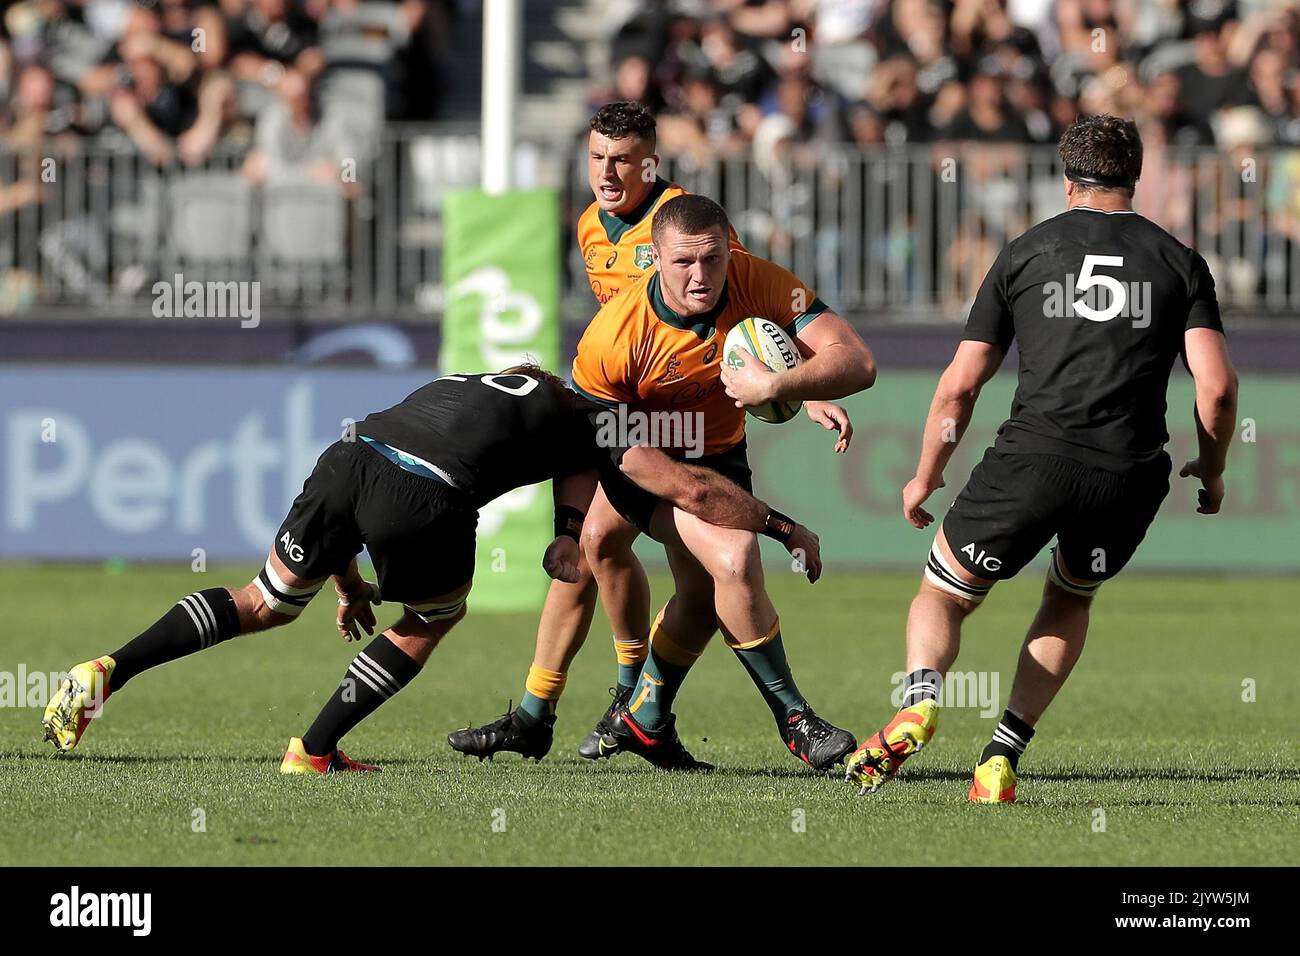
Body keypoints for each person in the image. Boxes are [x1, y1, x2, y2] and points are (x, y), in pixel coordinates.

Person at [41, 365, 818, 773]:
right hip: (427, 493)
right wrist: (779, 523)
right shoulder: (602, 417)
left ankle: (110, 667)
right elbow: (682, 484)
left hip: (349, 456)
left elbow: (571, 501)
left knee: (265, 601)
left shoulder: (495, 385)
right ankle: (312, 750)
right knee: (435, 617)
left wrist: (348, 581)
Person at [844, 114, 1239, 802]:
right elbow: (1218, 386)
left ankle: (920, 703)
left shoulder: (1028, 252)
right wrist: (1213, 467)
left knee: (942, 593)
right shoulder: (1180, 260)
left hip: (1033, 459)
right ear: (1135, 179)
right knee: (1068, 596)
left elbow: (961, 385)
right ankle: (1001, 755)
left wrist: (925, 476)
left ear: (1067, 183)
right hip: (1128, 472)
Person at [452, 101, 854, 763]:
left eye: (622, 160)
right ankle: (555, 710)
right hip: (631, 419)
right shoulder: (589, 228)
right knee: (585, 553)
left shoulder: (688, 227)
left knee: (704, 578)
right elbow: (624, 338)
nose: (607, 173)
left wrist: (800, 385)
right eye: (596, 158)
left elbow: (752, 310)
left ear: (652, 164)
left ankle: (640, 707)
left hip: (697, 433)